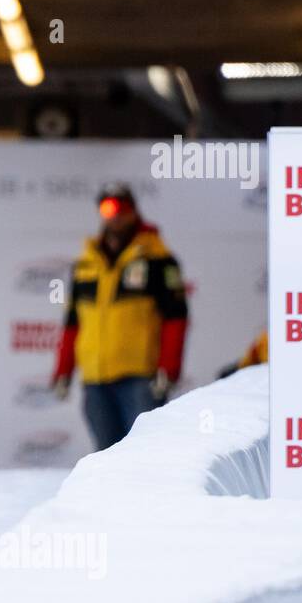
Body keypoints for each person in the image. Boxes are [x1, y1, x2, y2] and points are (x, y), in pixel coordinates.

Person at [52, 183, 188, 451]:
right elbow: (72, 322)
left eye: (121, 209)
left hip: (140, 379)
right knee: (105, 458)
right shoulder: (87, 263)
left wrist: (169, 369)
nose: (114, 215)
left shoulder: (158, 260)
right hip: (95, 381)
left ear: (134, 212)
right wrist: (63, 371)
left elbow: (176, 318)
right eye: (107, 209)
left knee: (143, 456)